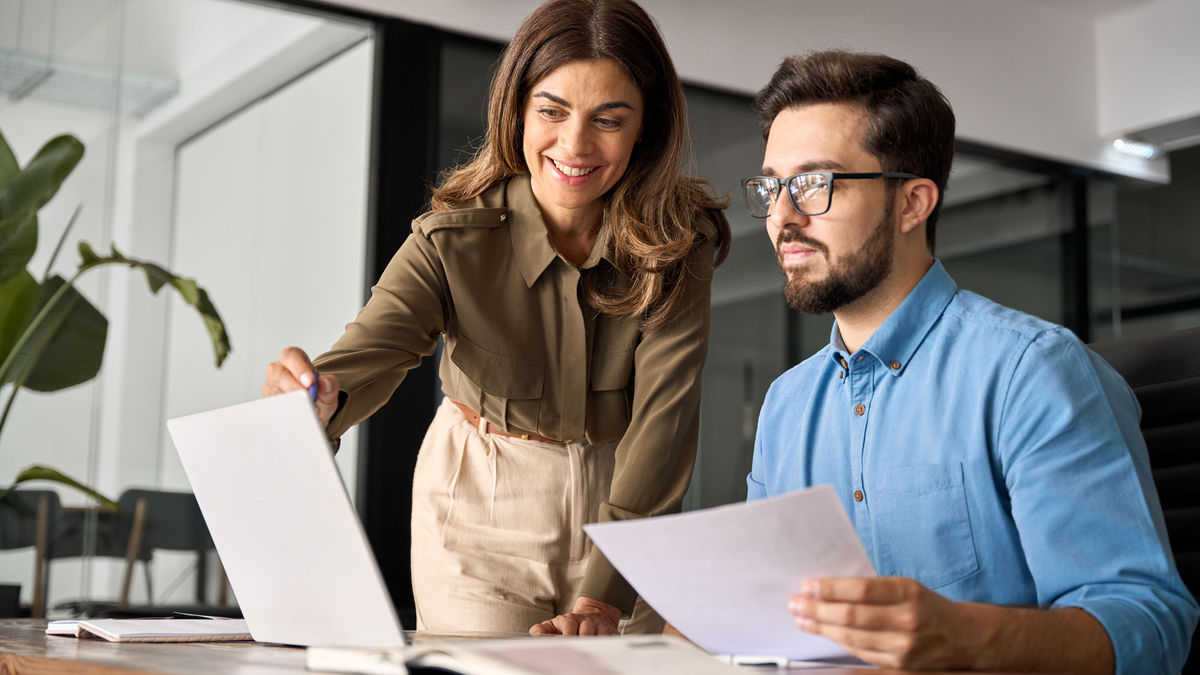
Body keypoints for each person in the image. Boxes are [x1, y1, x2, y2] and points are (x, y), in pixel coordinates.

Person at [262, 0, 729, 637]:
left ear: (646, 127)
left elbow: (665, 421)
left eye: (609, 120)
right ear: (517, 110)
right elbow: (370, 351)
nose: (575, 144)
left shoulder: (679, 243)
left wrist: (605, 596)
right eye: (552, 111)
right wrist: (311, 398)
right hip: (480, 504)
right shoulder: (451, 239)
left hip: (629, 502)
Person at [743, 50, 1197, 672]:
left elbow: (1149, 624)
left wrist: (969, 639)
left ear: (912, 204)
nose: (782, 218)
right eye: (772, 187)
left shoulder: (1033, 372)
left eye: (814, 185)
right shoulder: (785, 407)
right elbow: (760, 613)